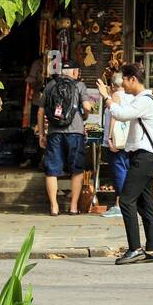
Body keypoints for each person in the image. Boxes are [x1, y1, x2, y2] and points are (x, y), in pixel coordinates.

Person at [97, 62, 153, 265]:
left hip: (143, 158)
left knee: (126, 200)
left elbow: (121, 115)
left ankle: (134, 248)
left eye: (124, 79)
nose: (122, 84)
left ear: (133, 79)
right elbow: (123, 111)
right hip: (143, 157)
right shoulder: (141, 100)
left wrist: (106, 97)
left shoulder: (144, 100)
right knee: (145, 204)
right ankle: (151, 248)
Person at [38, 63, 95, 216]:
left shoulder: (51, 85)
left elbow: (41, 111)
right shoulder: (80, 85)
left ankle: (54, 207)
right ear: (75, 72)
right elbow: (87, 107)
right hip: (75, 132)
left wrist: (42, 134)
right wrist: (84, 117)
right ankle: (73, 207)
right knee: (77, 170)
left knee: (52, 170)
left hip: (54, 132)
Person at [102, 70, 129, 214]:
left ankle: (120, 205)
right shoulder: (131, 96)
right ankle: (125, 204)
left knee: (119, 172)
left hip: (117, 142)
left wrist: (110, 138)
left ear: (112, 85)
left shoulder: (116, 96)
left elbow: (114, 116)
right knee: (125, 170)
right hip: (127, 141)